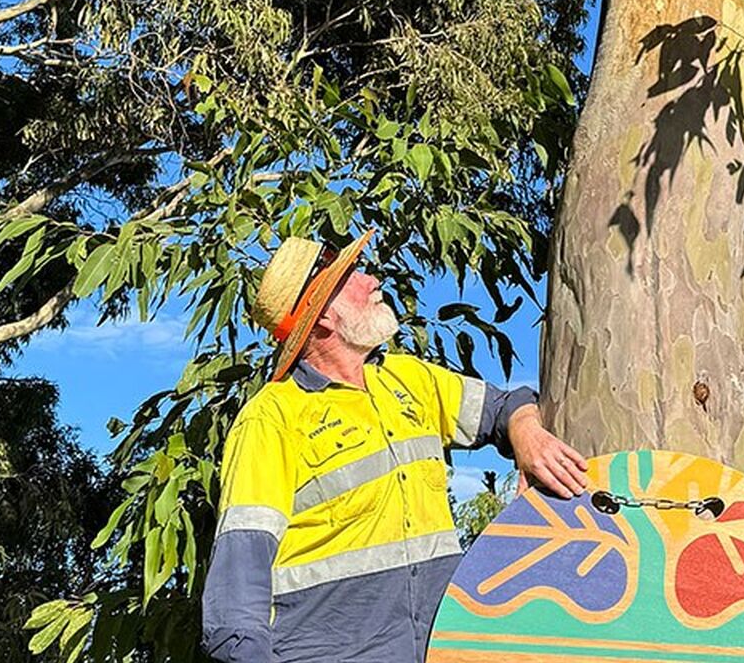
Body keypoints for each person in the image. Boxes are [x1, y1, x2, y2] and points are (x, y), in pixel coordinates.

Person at [201, 232, 589, 663]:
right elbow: (239, 579)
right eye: (351, 276)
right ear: (324, 317)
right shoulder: (272, 417)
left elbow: (504, 406)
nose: (371, 280)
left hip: (440, 649)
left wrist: (527, 433)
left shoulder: (409, 379)